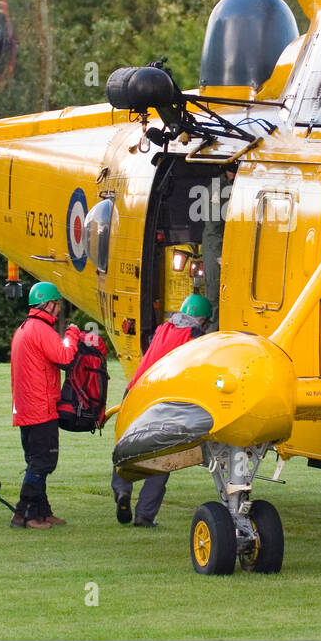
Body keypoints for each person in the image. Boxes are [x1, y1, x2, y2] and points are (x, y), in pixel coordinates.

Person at [111, 294, 212, 528]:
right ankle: (145, 515)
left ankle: (122, 489)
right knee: (163, 456)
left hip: (134, 391)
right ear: (202, 319)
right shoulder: (195, 336)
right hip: (160, 399)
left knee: (125, 446)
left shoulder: (163, 328)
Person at [10, 281, 80, 529]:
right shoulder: (41, 330)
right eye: (57, 304)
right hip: (41, 408)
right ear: (49, 304)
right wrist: (72, 334)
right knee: (43, 463)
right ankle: (25, 514)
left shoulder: (24, 328)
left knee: (36, 461)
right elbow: (65, 357)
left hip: (26, 408)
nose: (59, 310)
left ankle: (42, 510)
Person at [199, 164, 236, 333]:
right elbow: (214, 225)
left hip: (226, 248)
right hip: (216, 250)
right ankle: (211, 335)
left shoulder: (230, 187)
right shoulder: (216, 190)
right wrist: (220, 253)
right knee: (214, 297)